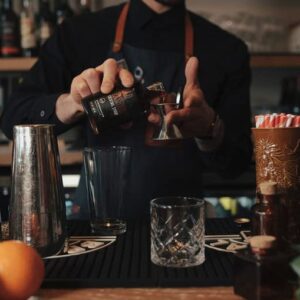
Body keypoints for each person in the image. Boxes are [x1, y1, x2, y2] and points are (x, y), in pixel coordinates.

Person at [0, 0, 252, 219]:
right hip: (95, 229)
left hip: (182, 230)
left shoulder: (227, 49)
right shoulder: (80, 33)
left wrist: (210, 129)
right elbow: (13, 118)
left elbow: (236, 164)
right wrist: (74, 104)